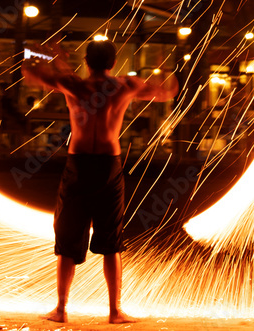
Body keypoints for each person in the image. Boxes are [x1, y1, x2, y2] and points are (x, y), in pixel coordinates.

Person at [22, 39, 178, 324]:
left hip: (79, 165)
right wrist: (168, 68)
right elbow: (168, 92)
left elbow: (30, 73)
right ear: (114, 62)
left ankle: (60, 309)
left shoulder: (74, 85)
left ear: (87, 62)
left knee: (67, 238)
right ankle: (115, 311)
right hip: (108, 165)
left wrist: (48, 54)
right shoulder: (125, 86)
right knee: (111, 241)